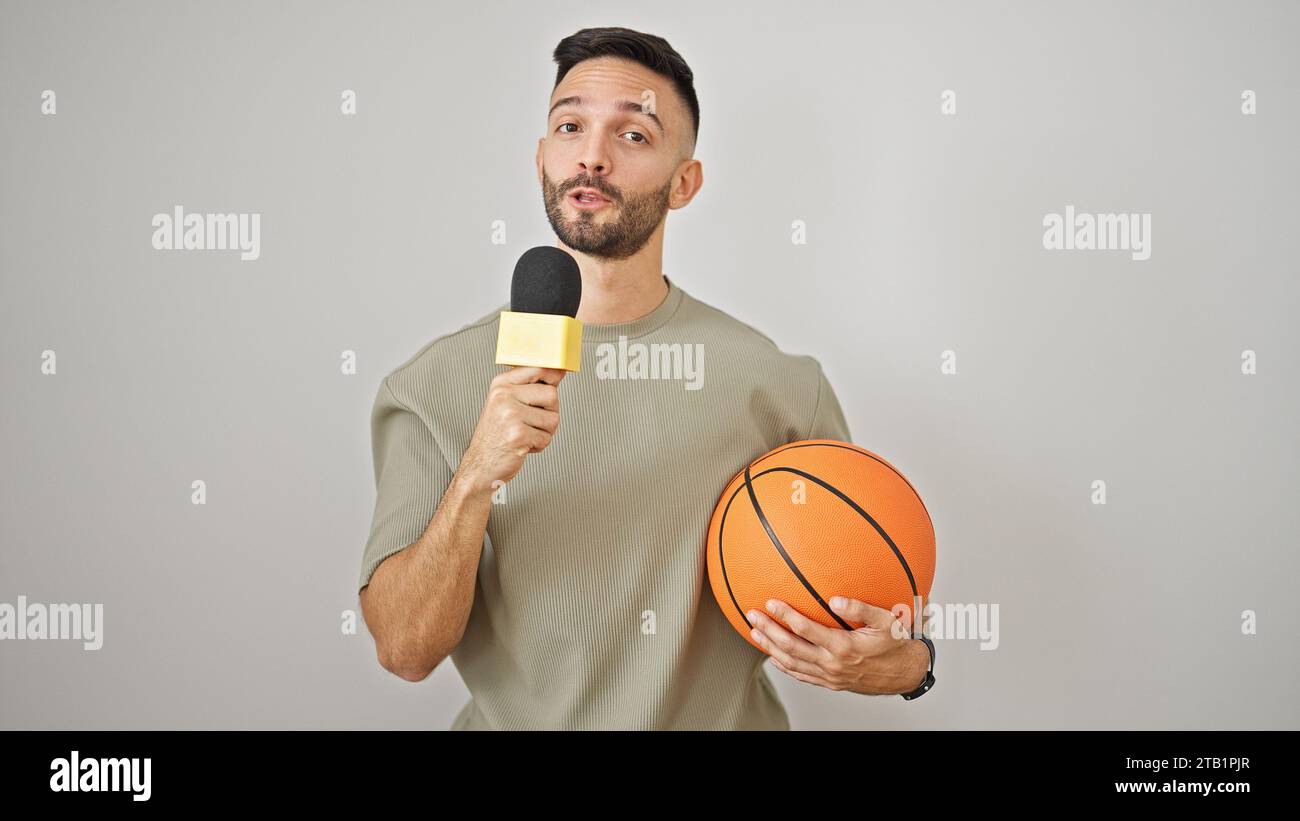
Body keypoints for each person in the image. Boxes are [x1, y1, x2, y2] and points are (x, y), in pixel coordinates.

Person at [357, 26, 930, 730]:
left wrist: (910, 667)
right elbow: (404, 650)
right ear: (542, 158)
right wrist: (478, 472)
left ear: (683, 181)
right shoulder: (430, 385)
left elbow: (868, 609)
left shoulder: (780, 385)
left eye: (633, 135)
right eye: (571, 126)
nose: (592, 156)